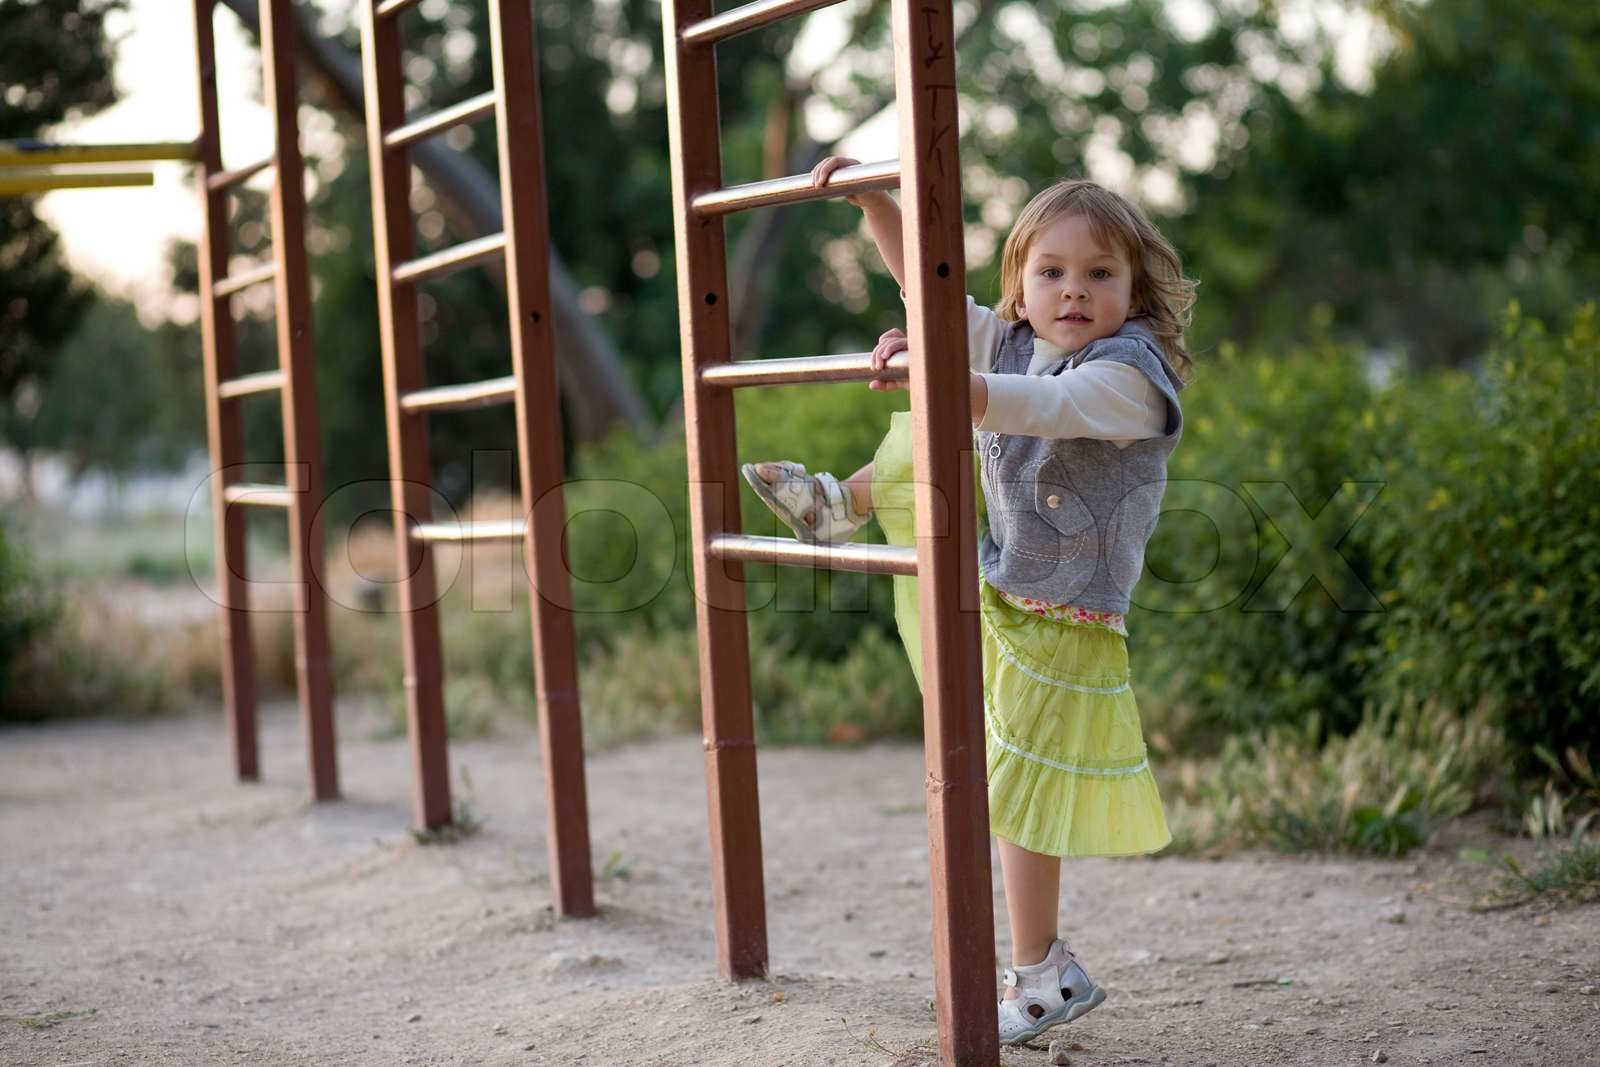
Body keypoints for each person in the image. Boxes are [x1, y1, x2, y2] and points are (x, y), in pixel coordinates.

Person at [742, 156, 1197, 1047]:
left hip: (1070, 617)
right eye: (1051, 272)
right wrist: (878, 202)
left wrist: (936, 374)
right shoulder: (1015, 337)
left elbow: (1023, 405)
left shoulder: (1129, 377)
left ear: (1136, 292)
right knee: (927, 419)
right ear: (1021, 291)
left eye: (1100, 273)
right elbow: (933, 295)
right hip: (1009, 593)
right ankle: (845, 503)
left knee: (1016, 796)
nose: (1074, 291)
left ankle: (1042, 974)